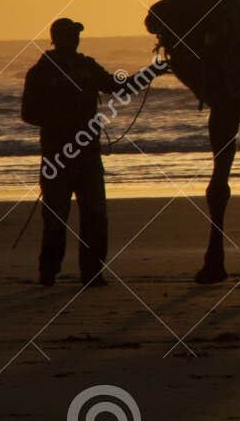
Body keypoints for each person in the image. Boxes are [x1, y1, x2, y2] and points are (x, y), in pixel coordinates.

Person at [21, 18, 165, 288]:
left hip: (88, 155)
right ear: (58, 38)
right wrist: (61, 120)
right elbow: (28, 114)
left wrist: (153, 72)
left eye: (76, 35)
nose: (75, 40)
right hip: (57, 156)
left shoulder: (87, 66)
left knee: (96, 216)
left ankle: (92, 273)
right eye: (71, 35)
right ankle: (48, 273)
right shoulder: (40, 73)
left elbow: (119, 86)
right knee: (55, 218)